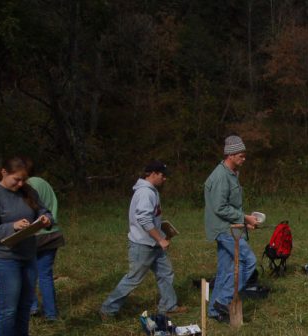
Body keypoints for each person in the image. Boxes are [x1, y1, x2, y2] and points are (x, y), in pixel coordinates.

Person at [100, 162, 186, 318]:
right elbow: (144, 219)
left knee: (166, 273)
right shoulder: (145, 193)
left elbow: (151, 217)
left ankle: (168, 305)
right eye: (162, 175)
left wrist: (163, 232)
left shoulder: (150, 192)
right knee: (133, 279)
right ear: (152, 174)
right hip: (143, 245)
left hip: (153, 244)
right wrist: (160, 239)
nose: (165, 179)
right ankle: (108, 309)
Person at [0, 156, 52, 336]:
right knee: (9, 308)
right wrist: (12, 227)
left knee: (25, 305)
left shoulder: (28, 191)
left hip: (28, 255)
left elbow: (44, 211)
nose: (20, 184)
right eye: (16, 179)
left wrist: (45, 219)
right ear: (4, 173)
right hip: (4, 259)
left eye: (24, 180)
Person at [204, 134, 259, 322]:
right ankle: (224, 301)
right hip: (224, 230)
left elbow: (230, 205)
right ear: (230, 155)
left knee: (226, 270)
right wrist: (244, 218)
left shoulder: (232, 174)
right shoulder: (220, 177)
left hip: (232, 227)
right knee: (249, 261)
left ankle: (214, 310)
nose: (244, 159)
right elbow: (219, 207)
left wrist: (245, 222)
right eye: (241, 156)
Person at [26, 165, 65, 320]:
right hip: (52, 233)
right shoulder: (45, 183)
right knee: (45, 275)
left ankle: (33, 307)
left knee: (29, 274)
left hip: (35, 234)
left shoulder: (27, 186)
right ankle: (51, 313)